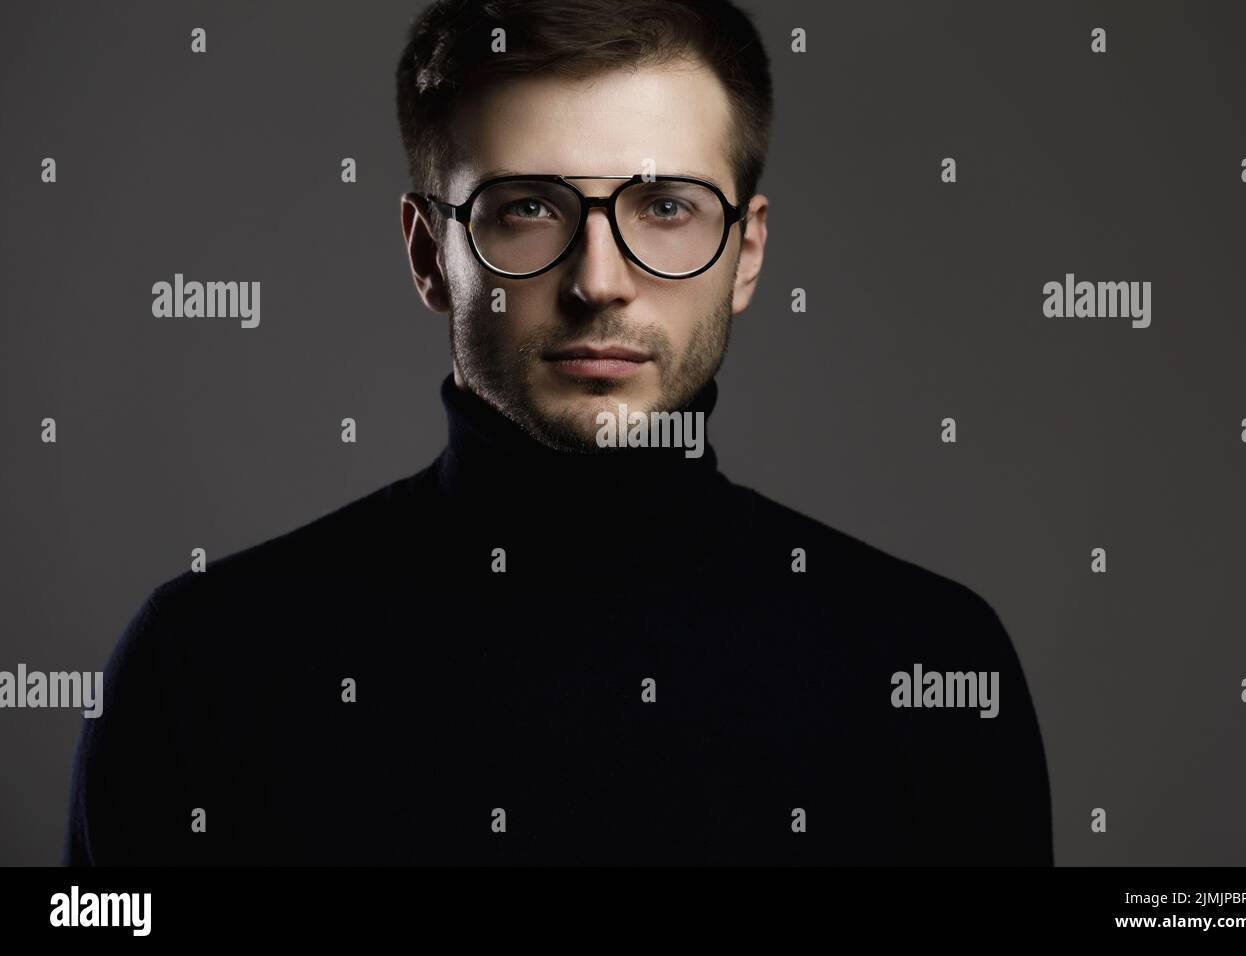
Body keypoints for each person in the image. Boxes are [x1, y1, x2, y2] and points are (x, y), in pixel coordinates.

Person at [63, 0, 1052, 865]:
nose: (598, 279)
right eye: (527, 207)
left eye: (665, 206)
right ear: (426, 253)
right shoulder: (204, 665)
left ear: (746, 255)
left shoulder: (928, 663)